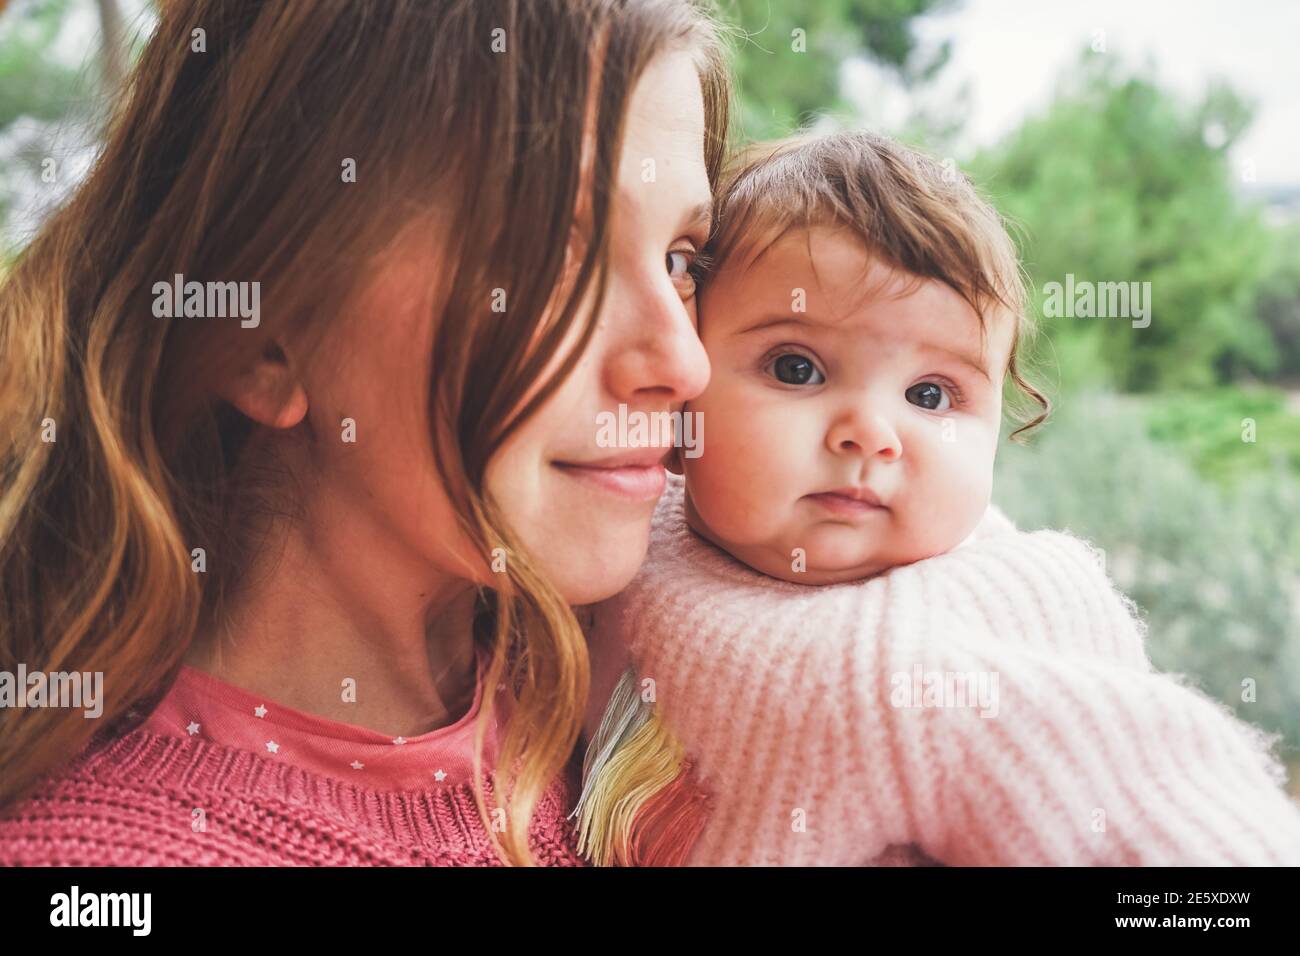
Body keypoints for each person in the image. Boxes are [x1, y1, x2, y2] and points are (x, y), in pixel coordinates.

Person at [0, 0, 729, 866]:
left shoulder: (666, 675)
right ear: (266, 340)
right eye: (546, 255)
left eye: (681, 260)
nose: (685, 363)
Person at [576, 130, 1300, 866]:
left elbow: (1167, 809)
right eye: (796, 368)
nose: (871, 434)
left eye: (931, 393)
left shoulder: (951, 642)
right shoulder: (629, 523)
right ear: (686, 378)